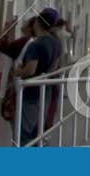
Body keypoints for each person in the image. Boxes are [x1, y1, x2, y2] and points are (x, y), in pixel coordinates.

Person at [11, 9, 62, 146]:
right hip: (46, 91)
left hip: (32, 93)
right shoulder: (56, 43)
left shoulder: (36, 45)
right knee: (37, 130)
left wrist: (17, 71)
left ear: (38, 23)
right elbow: (55, 66)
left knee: (25, 132)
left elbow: (30, 70)